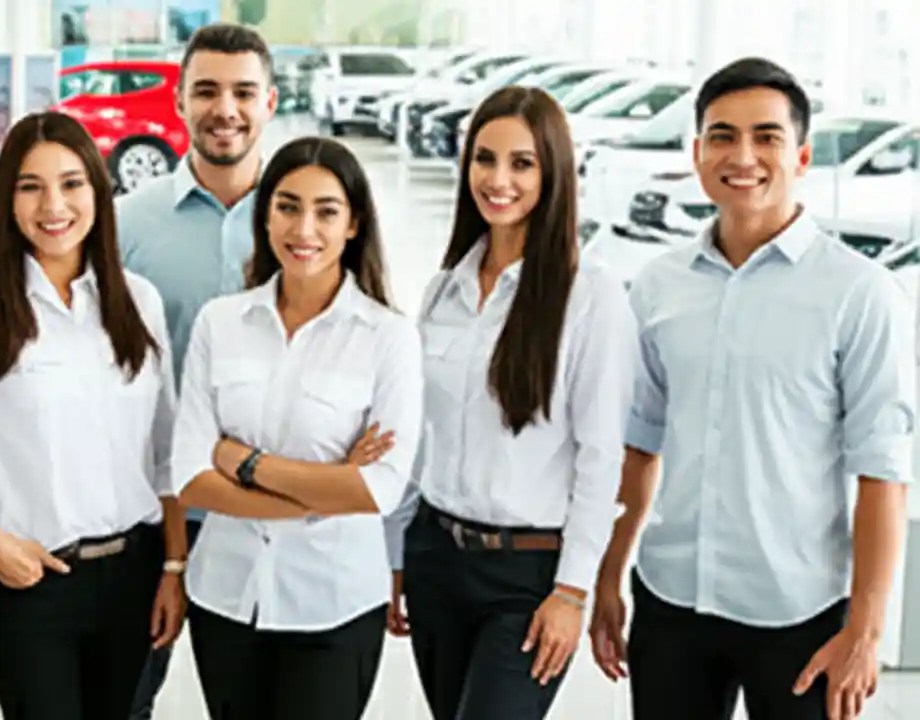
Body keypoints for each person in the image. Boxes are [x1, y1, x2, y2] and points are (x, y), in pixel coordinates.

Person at [588, 58, 915, 720]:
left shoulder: (859, 293)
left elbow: (883, 473)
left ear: (800, 154)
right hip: (672, 600)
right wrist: (606, 576)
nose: (743, 156)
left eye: (765, 137)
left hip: (798, 611)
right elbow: (639, 447)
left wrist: (866, 630)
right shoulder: (656, 287)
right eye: (722, 135)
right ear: (697, 151)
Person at [0, 111, 187, 720]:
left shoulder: (139, 301)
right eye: (31, 186)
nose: (53, 204)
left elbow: (166, 449)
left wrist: (173, 566)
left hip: (135, 574)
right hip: (31, 583)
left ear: (99, 194)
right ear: (7, 200)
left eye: (72, 183)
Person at [383, 85, 636, 720]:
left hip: (528, 578)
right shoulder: (445, 288)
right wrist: (395, 555)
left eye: (522, 163)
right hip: (437, 559)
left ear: (553, 173)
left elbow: (601, 456)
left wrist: (573, 590)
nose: (498, 180)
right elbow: (420, 437)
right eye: (484, 159)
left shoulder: (591, 297)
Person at [170, 136, 423, 720]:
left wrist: (246, 463)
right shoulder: (221, 322)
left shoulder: (388, 338)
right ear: (264, 215)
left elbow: (375, 490)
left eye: (326, 211)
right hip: (227, 599)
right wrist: (322, 489)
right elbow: (189, 475)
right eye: (287, 206)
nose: (303, 227)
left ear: (354, 223)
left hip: (333, 606)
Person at [116, 22, 278, 719]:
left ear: (271, 101)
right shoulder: (124, 226)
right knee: (124, 700)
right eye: (206, 91)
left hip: (267, 511)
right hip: (148, 514)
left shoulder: (308, 222)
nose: (226, 109)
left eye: (244, 92)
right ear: (178, 102)